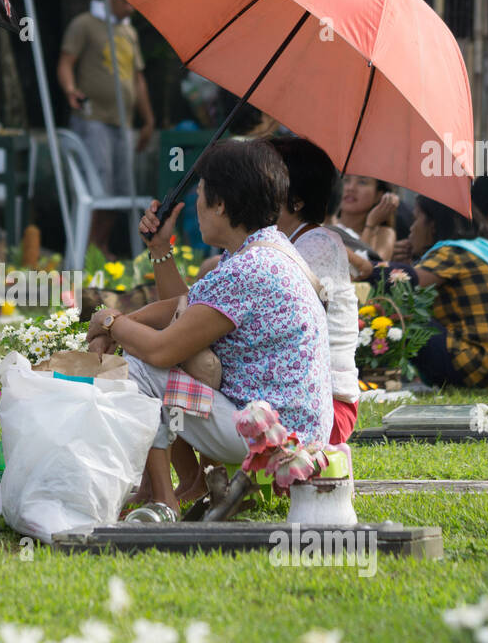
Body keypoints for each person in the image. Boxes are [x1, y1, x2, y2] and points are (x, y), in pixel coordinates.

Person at [88, 139, 332, 515]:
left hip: (271, 438)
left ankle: (161, 500)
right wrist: (156, 255)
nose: (197, 206)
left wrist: (108, 320)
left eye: (201, 194)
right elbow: (183, 309)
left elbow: (161, 349)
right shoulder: (263, 249)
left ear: (220, 204)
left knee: (140, 368)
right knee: (162, 359)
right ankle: (174, 487)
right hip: (289, 428)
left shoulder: (248, 269)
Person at [271, 137, 360, 444]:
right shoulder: (280, 241)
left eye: (267, 179)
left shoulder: (316, 245)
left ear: (296, 201)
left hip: (324, 411)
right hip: (293, 401)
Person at [57, 0, 156, 254]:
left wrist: (148, 120)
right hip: (93, 119)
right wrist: (70, 90)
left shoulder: (129, 32)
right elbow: (66, 62)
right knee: (99, 189)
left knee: (122, 191)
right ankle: (86, 250)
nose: (131, 8)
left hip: (124, 124)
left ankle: (98, 249)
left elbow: (138, 80)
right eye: (125, 0)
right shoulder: (85, 24)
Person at [391, 197, 488, 388]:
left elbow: (402, 285)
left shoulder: (452, 252)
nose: (411, 229)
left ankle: (377, 376)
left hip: (473, 366)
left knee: (397, 312)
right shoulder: (487, 250)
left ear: (434, 225)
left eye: (416, 219)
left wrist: (369, 263)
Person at [334, 175, 398, 275]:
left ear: (379, 195)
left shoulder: (383, 233)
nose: (351, 188)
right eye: (346, 180)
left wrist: (371, 225)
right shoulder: (325, 227)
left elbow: (367, 270)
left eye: (362, 182)